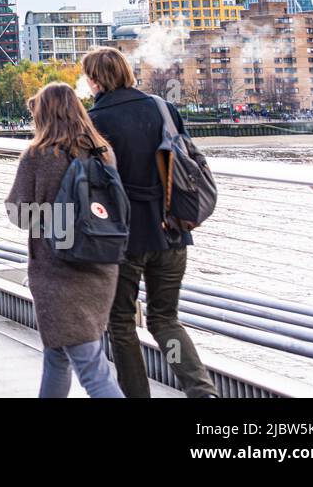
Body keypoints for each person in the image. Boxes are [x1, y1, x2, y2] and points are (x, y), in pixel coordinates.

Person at [82, 46, 217, 398]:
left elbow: (89, 188)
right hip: (171, 231)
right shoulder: (163, 108)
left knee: (122, 324)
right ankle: (201, 391)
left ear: (95, 80)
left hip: (122, 241)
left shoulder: (94, 122)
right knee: (165, 320)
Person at [5, 82, 123, 398]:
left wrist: (55, 221)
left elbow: (18, 212)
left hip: (57, 272)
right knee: (57, 355)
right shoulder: (102, 151)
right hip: (100, 265)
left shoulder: (37, 155)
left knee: (92, 372)